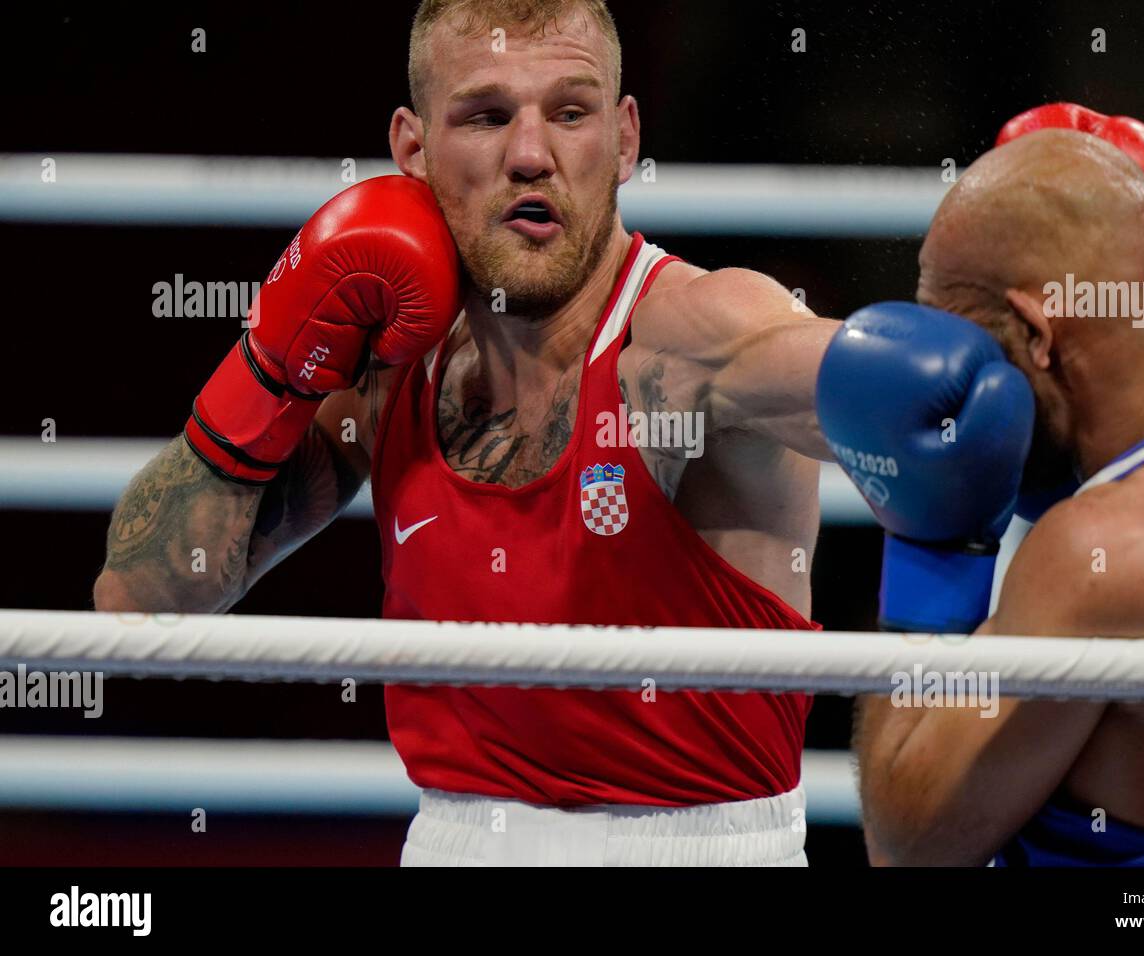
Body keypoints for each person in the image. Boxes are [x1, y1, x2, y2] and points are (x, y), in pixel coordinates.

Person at [94, 0, 852, 866]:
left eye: (571, 112)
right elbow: (140, 601)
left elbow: (854, 384)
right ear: (413, 149)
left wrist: (933, 385)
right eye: (487, 117)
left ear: (626, 136)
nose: (531, 155)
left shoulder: (690, 336)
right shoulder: (393, 372)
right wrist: (271, 365)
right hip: (453, 838)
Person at [836, 108, 1144, 865]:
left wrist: (930, 541)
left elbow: (906, 841)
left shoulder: (1104, 552)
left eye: (964, 339)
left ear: (1039, 333)